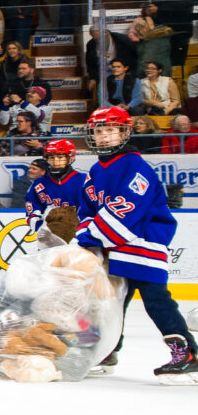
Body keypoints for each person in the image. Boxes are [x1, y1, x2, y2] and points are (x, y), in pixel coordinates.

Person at [74, 105, 195, 380]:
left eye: (110, 131)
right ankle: (107, 350)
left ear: (124, 133)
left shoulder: (135, 166)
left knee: (156, 300)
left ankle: (187, 353)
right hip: (114, 246)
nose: (104, 137)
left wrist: (90, 237)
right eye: (99, 131)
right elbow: (87, 211)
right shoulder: (94, 171)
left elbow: (126, 208)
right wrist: (85, 235)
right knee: (112, 302)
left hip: (143, 243)